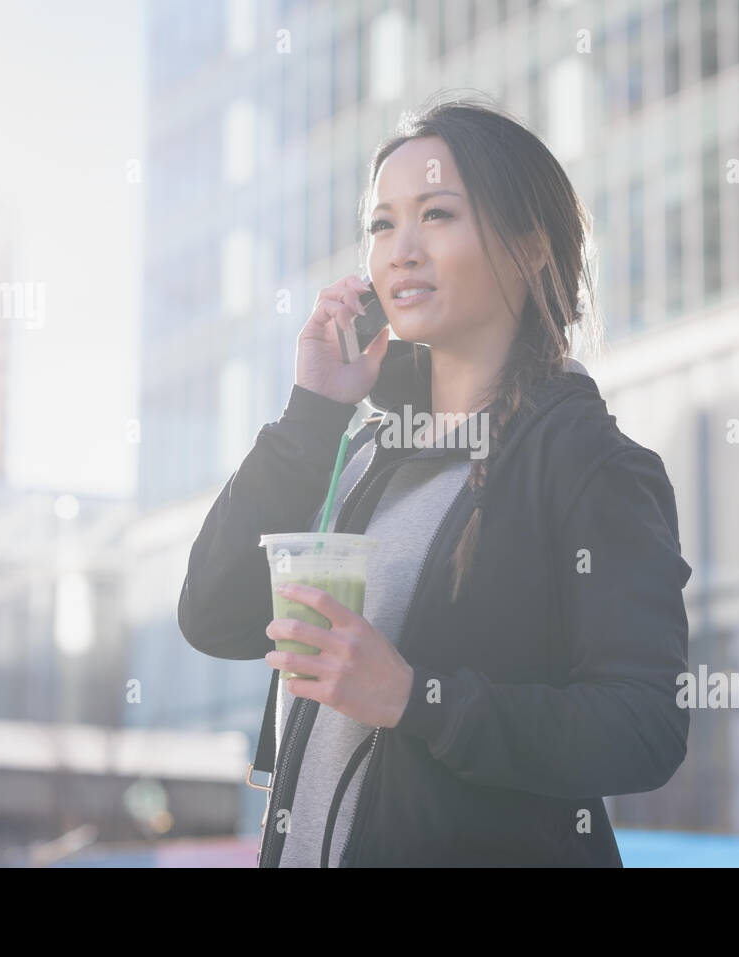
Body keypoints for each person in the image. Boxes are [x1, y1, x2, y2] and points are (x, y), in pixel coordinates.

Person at [177, 96, 693, 867]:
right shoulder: (365, 451)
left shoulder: (593, 465)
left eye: (437, 215)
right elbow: (214, 615)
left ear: (529, 244)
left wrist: (418, 699)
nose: (400, 250)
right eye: (383, 224)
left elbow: (644, 727)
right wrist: (313, 414)